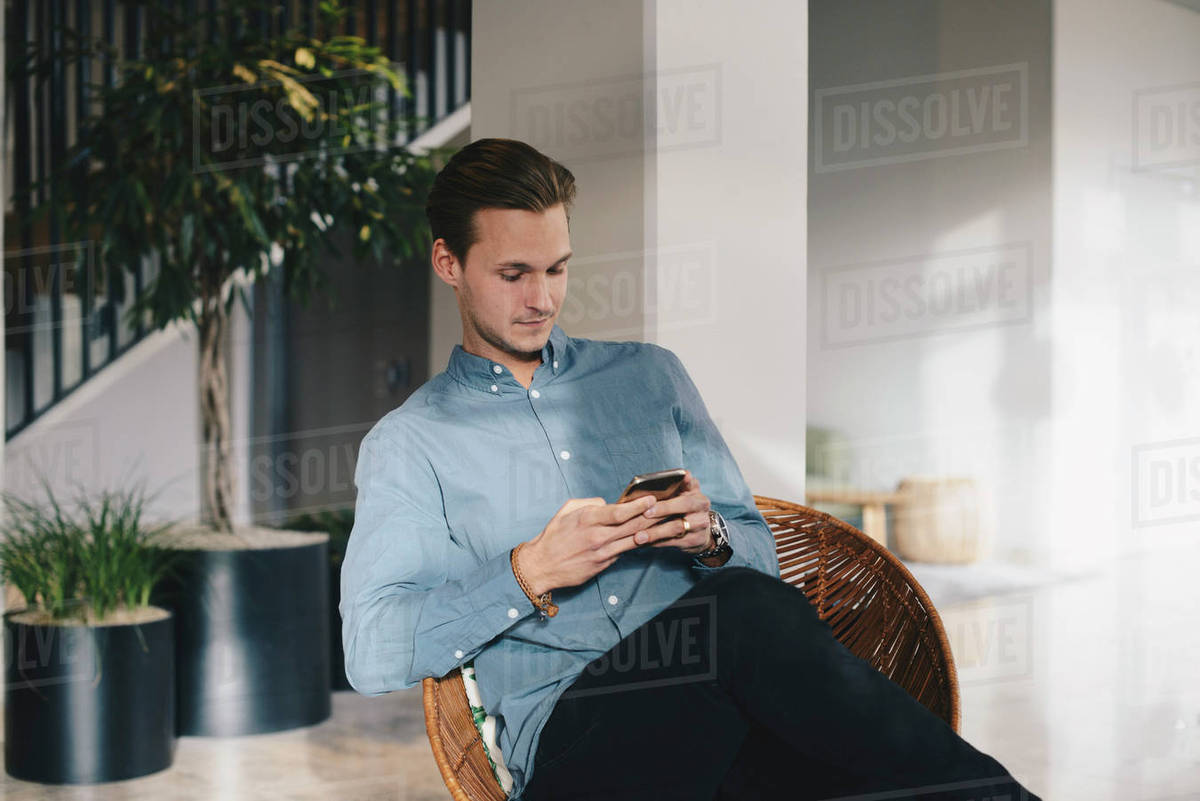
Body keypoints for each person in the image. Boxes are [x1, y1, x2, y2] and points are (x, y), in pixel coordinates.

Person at [339, 138, 1042, 801]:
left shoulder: (649, 376)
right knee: (735, 612)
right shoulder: (412, 443)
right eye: (514, 274)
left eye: (557, 269)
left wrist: (708, 535)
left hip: (723, 717)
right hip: (576, 747)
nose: (542, 299)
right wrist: (531, 569)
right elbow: (371, 652)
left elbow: (762, 559)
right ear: (448, 263)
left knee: (836, 748)